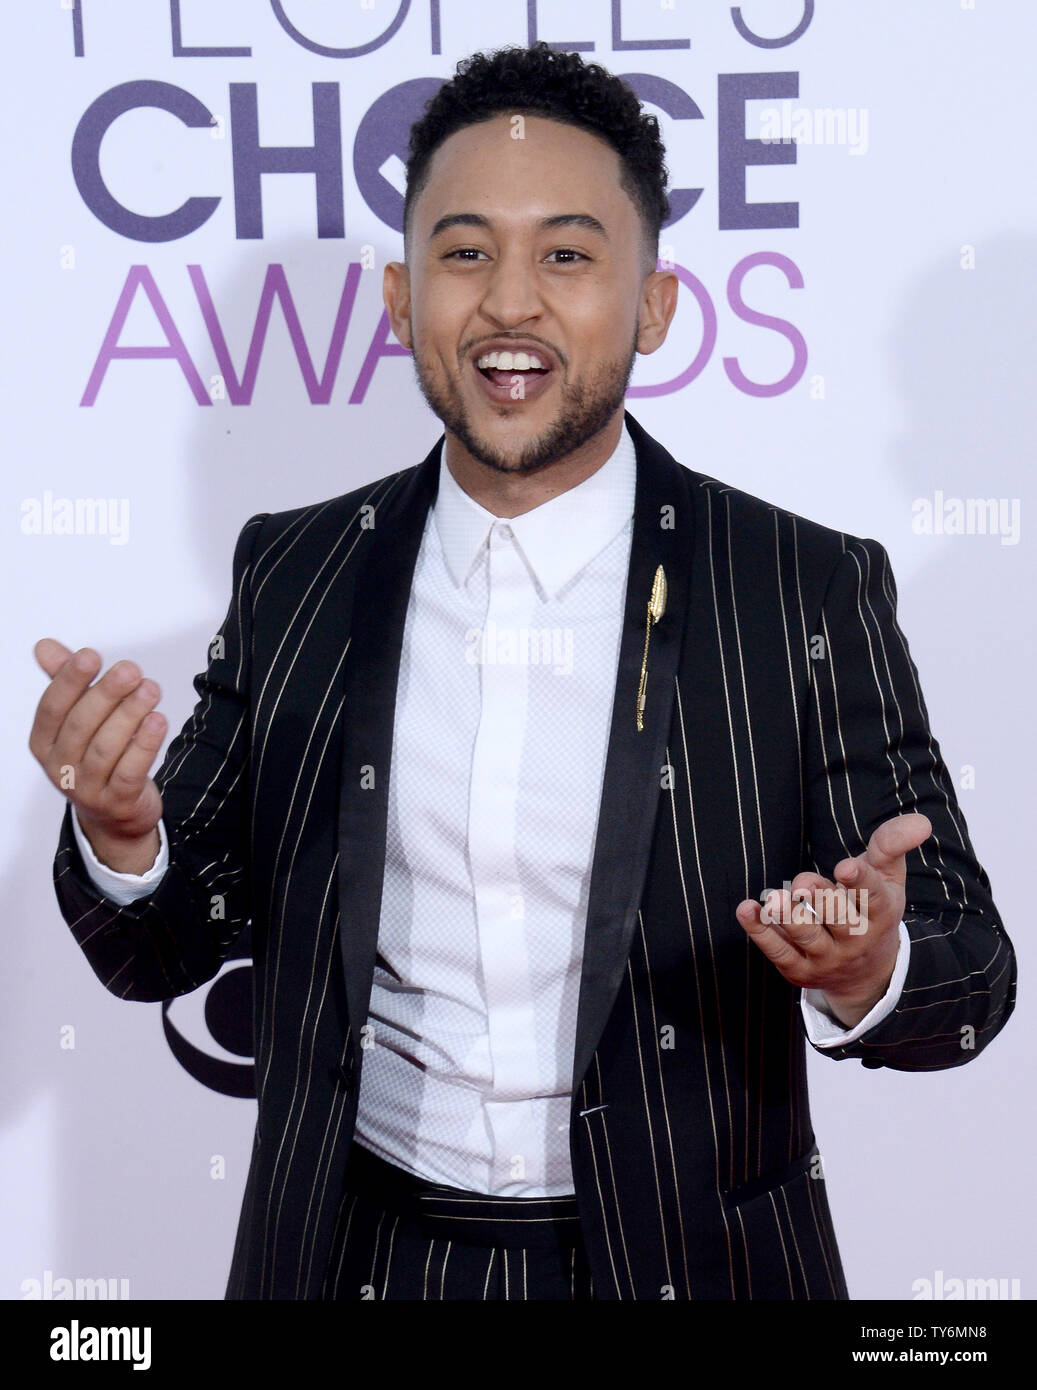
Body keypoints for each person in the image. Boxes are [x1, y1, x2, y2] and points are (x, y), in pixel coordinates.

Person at [31, 43, 1014, 1301]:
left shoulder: (801, 586)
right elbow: (156, 951)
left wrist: (870, 967)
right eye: (462, 252)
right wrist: (122, 832)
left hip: (693, 1267)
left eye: (566, 254)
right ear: (397, 299)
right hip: (357, 1259)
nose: (508, 304)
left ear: (652, 304)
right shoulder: (295, 570)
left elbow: (971, 973)